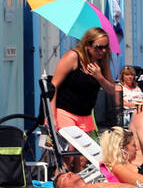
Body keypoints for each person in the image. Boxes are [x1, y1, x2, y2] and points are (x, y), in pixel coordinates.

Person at [49, 28, 120, 169]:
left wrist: (99, 77)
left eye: (106, 47)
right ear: (87, 45)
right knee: (68, 156)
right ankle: (62, 185)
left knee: (82, 160)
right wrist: (52, 118)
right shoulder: (73, 57)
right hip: (65, 112)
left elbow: (111, 89)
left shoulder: (102, 62)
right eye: (99, 47)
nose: (103, 51)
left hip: (85, 115)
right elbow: (53, 86)